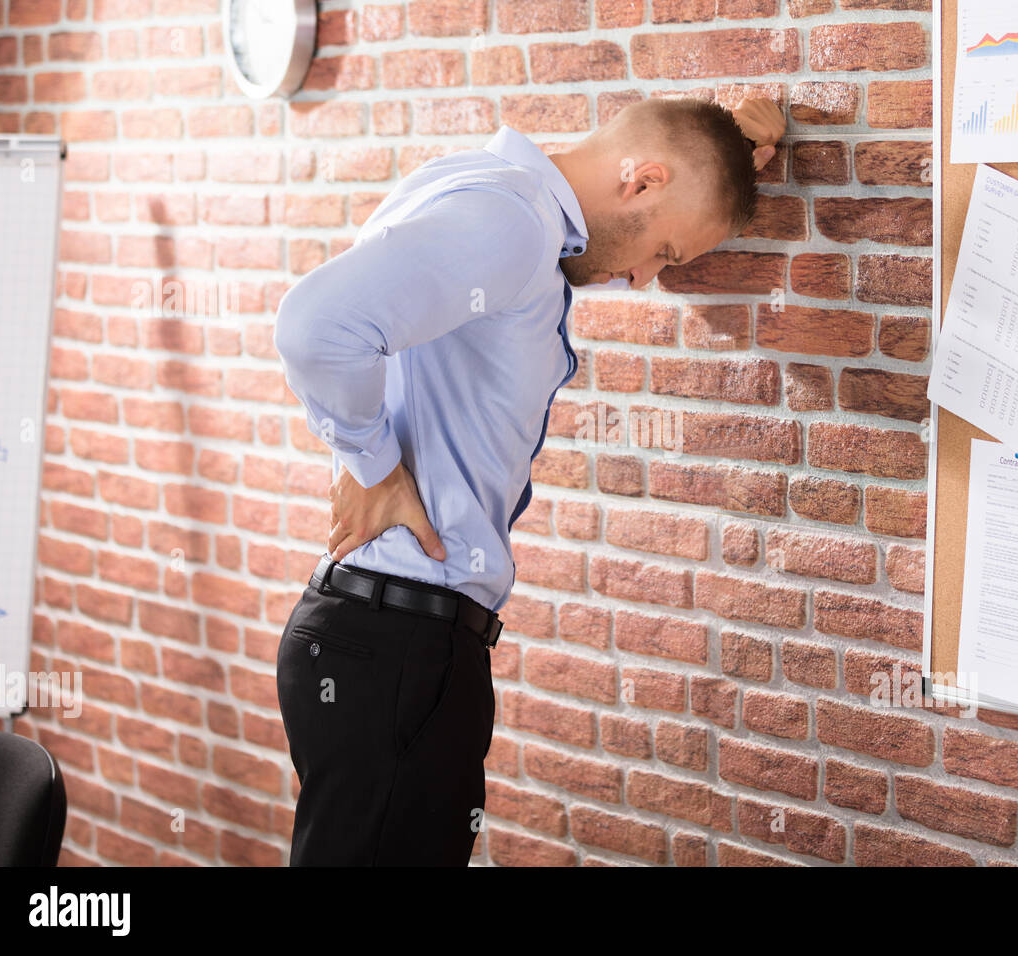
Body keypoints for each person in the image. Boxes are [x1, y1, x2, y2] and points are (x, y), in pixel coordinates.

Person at [272, 95, 786, 866]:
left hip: (384, 644)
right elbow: (315, 327)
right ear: (642, 183)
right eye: (668, 255)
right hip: (400, 649)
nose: (644, 280)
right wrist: (370, 465)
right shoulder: (513, 224)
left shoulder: (498, 203)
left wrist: (739, 142)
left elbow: (639, 186)